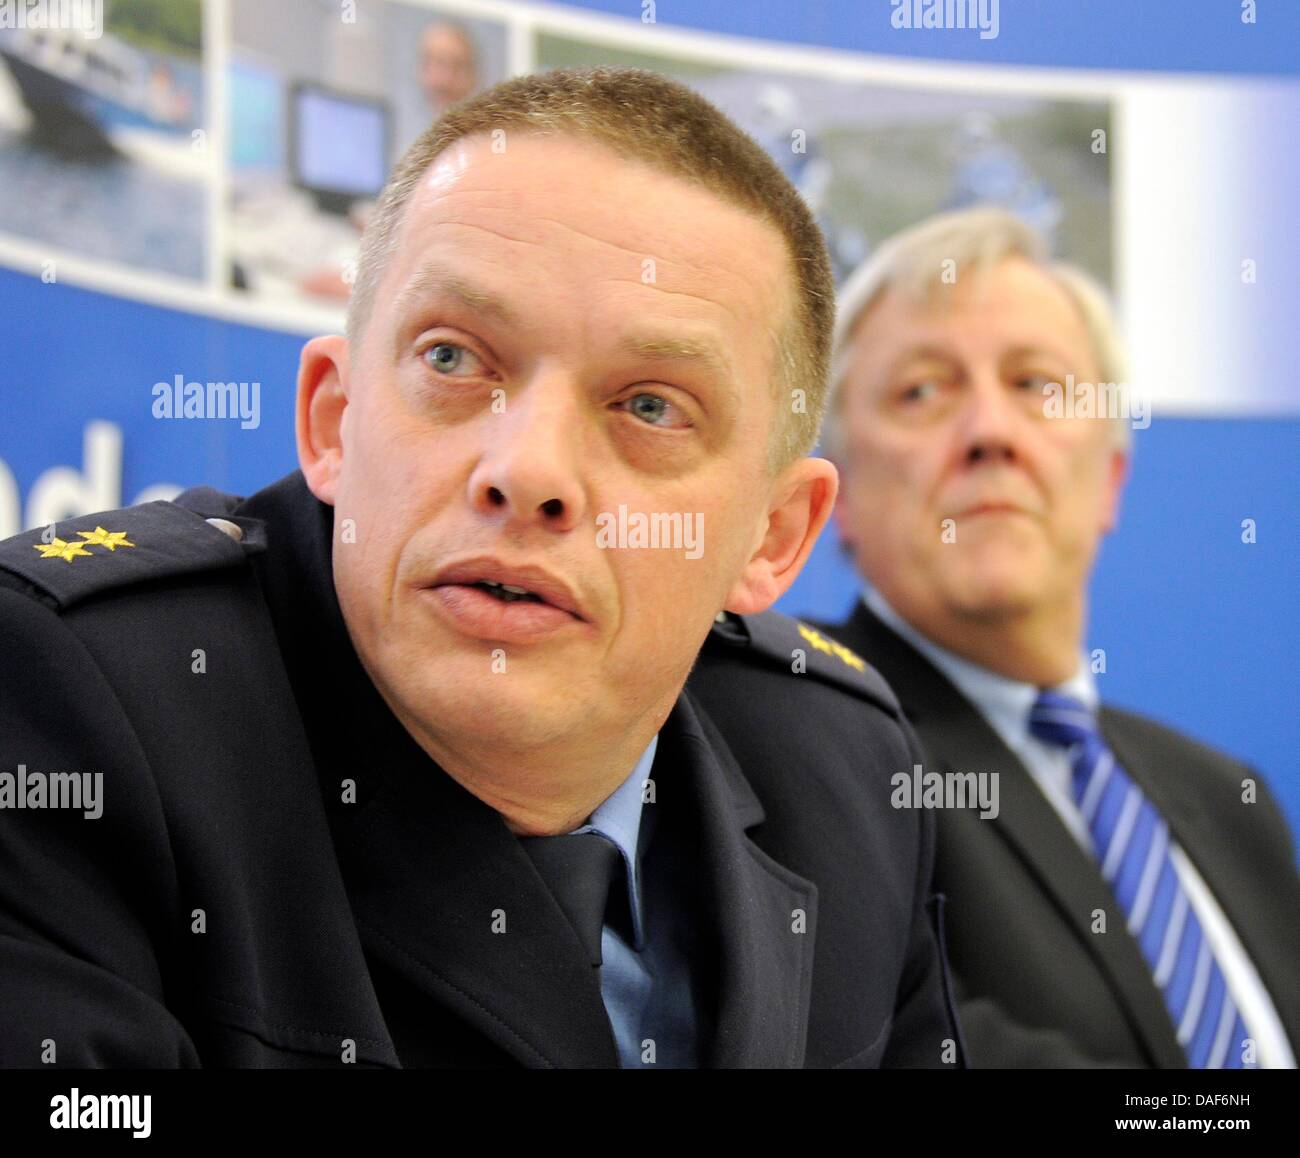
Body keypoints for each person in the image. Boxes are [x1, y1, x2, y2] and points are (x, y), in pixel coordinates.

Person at [0, 68, 961, 1069]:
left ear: (772, 538)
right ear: (332, 421)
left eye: (649, 407)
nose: (527, 471)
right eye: (454, 359)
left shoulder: (847, 772)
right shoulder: (61, 704)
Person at [814, 205, 1299, 1068]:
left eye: (1038, 385)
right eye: (921, 391)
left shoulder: (1231, 800)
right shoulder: (800, 728)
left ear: (1109, 477)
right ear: (837, 492)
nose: (990, 433)